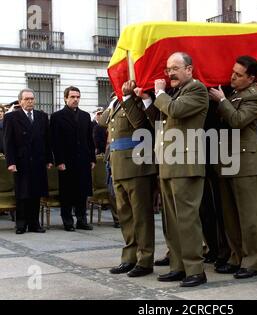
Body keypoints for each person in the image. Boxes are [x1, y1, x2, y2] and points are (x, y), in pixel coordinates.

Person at [136, 52, 209, 287]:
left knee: (186, 219)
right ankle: (178, 266)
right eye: (168, 69)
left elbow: (176, 111)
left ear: (189, 69)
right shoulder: (175, 93)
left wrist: (158, 92)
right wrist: (149, 99)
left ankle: (196, 269)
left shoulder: (197, 90)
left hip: (186, 164)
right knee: (171, 221)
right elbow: (159, 120)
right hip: (169, 163)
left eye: (175, 68)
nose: (170, 73)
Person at [209, 56, 257, 279]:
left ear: (251, 78)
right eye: (233, 72)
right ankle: (235, 256)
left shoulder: (254, 97)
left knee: (249, 216)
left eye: (239, 74)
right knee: (230, 215)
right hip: (227, 161)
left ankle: (251, 262)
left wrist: (222, 101)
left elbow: (238, 121)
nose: (233, 76)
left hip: (246, 162)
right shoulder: (234, 94)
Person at [99, 81, 157, 278]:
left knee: (141, 217)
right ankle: (129, 257)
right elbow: (101, 122)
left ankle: (145, 260)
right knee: (125, 216)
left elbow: (139, 124)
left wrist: (127, 98)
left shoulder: (138, 101)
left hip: (137, 166)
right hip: (118, 166)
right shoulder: (116, 102)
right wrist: (115, 100)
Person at [3, 88, 53, 234]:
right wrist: (11, 162)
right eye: (26, 99)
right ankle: (21, 224)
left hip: (38, 160)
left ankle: (34, 224)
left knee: (36, 193)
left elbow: (47, 140)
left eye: (32, 99)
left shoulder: (42, 116)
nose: (30, 101)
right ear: (20, 101)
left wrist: (49, 159)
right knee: (22, 194)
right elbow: (8, 142)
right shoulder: (11, 117)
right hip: (21, 161)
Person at [50, 86, 96, 231]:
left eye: (77, 97)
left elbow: (90, 139)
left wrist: (92, 159)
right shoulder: (57, 117)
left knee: (82, 192)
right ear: (65, 98)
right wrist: (60, 161)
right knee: (67, 193)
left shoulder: (85, 116)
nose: (75, 99)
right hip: (66, 161)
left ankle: (82, 220)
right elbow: (55, 141)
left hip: (83, 159)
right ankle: (68, 222)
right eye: (72, 97)